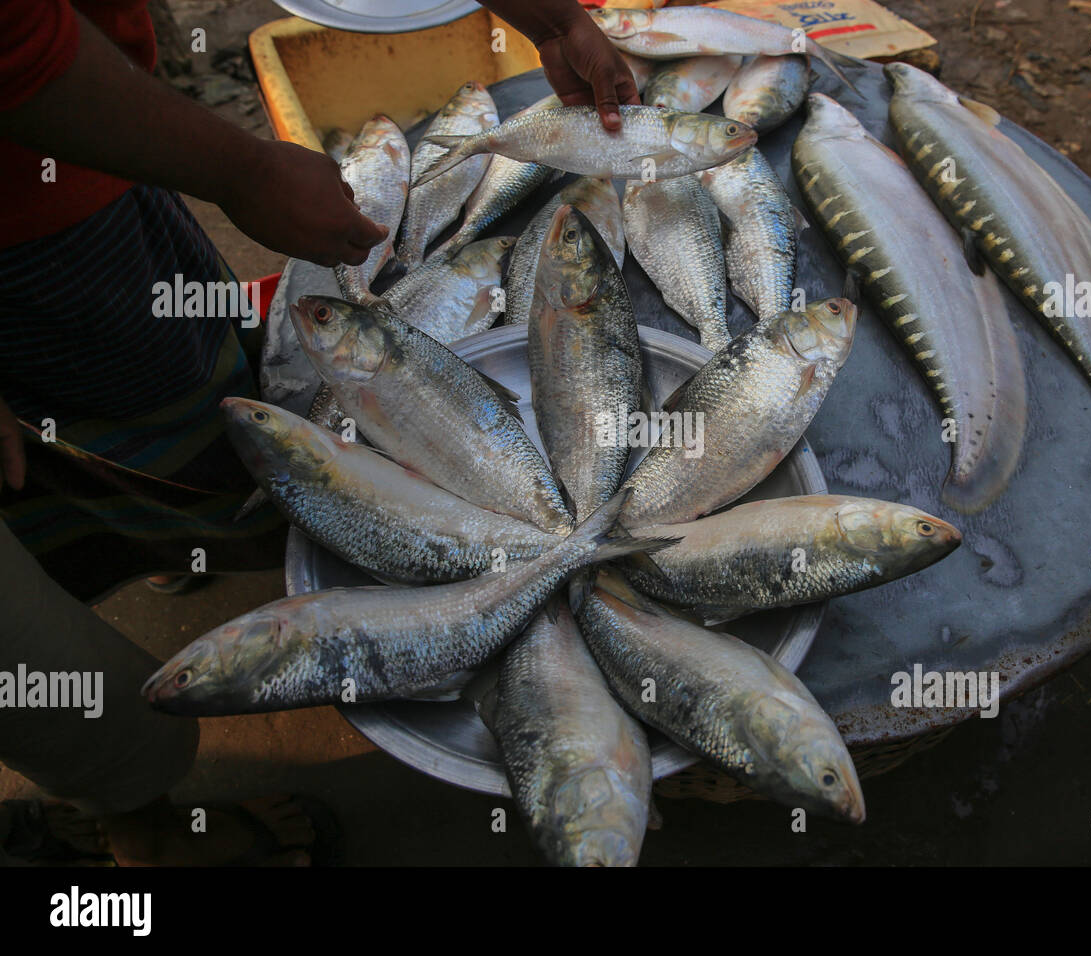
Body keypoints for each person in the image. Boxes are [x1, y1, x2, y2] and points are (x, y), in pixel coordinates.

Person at [0, 0, 638, 865]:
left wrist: (549, 18)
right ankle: (135, 820)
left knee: (187, 411)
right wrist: (241, 172)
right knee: (34, 618)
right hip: (37, 217)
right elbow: (22, 57)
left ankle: (178, 541)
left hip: (82, 187)